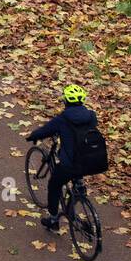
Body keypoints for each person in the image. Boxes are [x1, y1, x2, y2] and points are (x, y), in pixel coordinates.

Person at [25, 85, 106, 230]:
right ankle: (77, 196)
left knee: (54, 185)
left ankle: (53, 219)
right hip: (91, 160)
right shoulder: (91, 116)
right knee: (77, 177)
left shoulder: (62, 119)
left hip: (71, 163)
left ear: (66, 101)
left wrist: (32, 136)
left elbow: (45, 130)